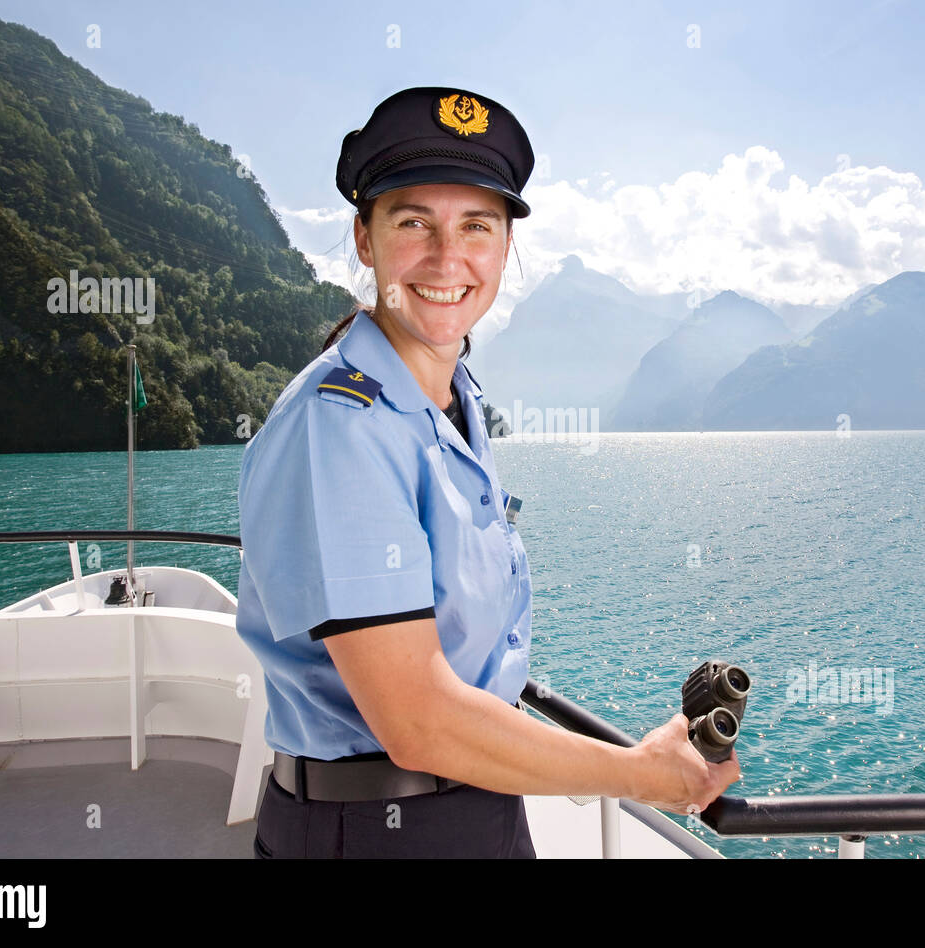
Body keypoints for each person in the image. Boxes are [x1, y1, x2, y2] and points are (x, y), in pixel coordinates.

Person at [235, 86, 740, 858]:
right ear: (365, 240)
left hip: (482, 809)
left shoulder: (454, 397)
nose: (447, 259)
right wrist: (640, 774)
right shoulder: (338, 427)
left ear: (505, 247)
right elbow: (420, 721)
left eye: (476, 226)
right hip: (374, 833)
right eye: (414, 223)